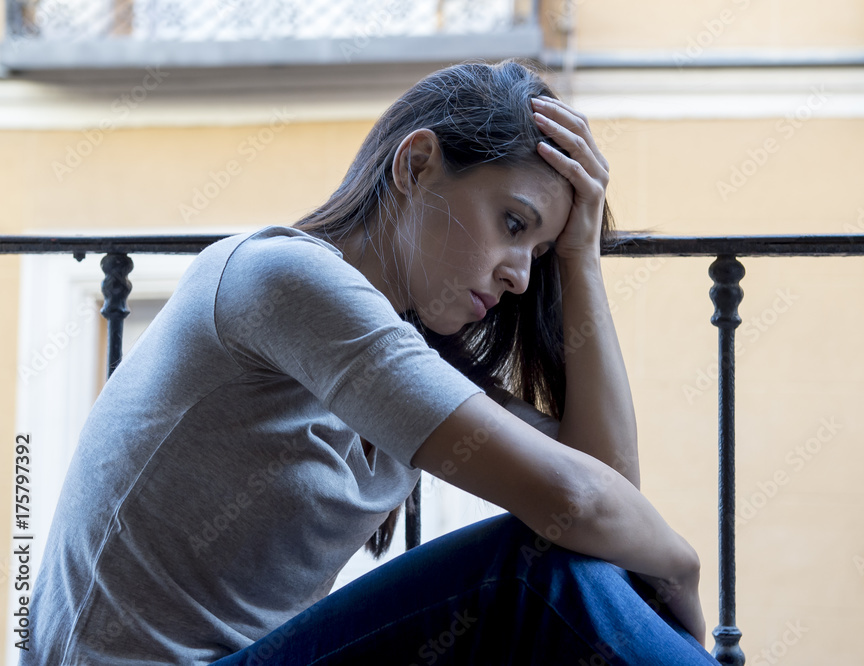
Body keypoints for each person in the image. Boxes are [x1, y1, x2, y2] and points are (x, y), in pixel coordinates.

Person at [24, 59, 719, 665]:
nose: (521, 279)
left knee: (564, 560)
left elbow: (608, 499)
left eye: (537, 254)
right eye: (513, 225)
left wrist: (579, 259)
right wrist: (682, 573)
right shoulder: (280, 277)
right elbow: (579, 507)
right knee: (528, 571)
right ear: (416, 165)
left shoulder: (416, 356)